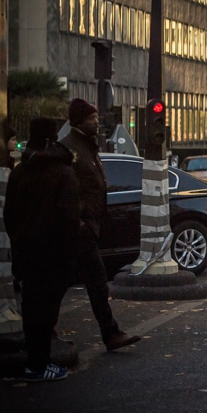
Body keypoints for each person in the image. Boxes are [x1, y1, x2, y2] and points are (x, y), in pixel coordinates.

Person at [60, 98, 140, 352]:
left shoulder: (88, 146)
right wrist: (82, 219)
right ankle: (110, 333)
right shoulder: (70, 149)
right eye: (92, 118)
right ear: (79, 121)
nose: (97, 122)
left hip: (88, 226)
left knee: (76, 282)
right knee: (93, 281)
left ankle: (110, 333)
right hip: (79, 228)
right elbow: (68, 190)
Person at [4, 118, 80, 381]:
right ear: (53, 139)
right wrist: (71, 256)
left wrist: (19, 240)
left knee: (31, 306)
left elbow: (9, 215)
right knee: (47, 311)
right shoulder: (63, 173)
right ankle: (40, 364)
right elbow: (69, 219)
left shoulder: (20, 172)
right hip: (55, 254)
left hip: (27, 251)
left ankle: (35, 363)